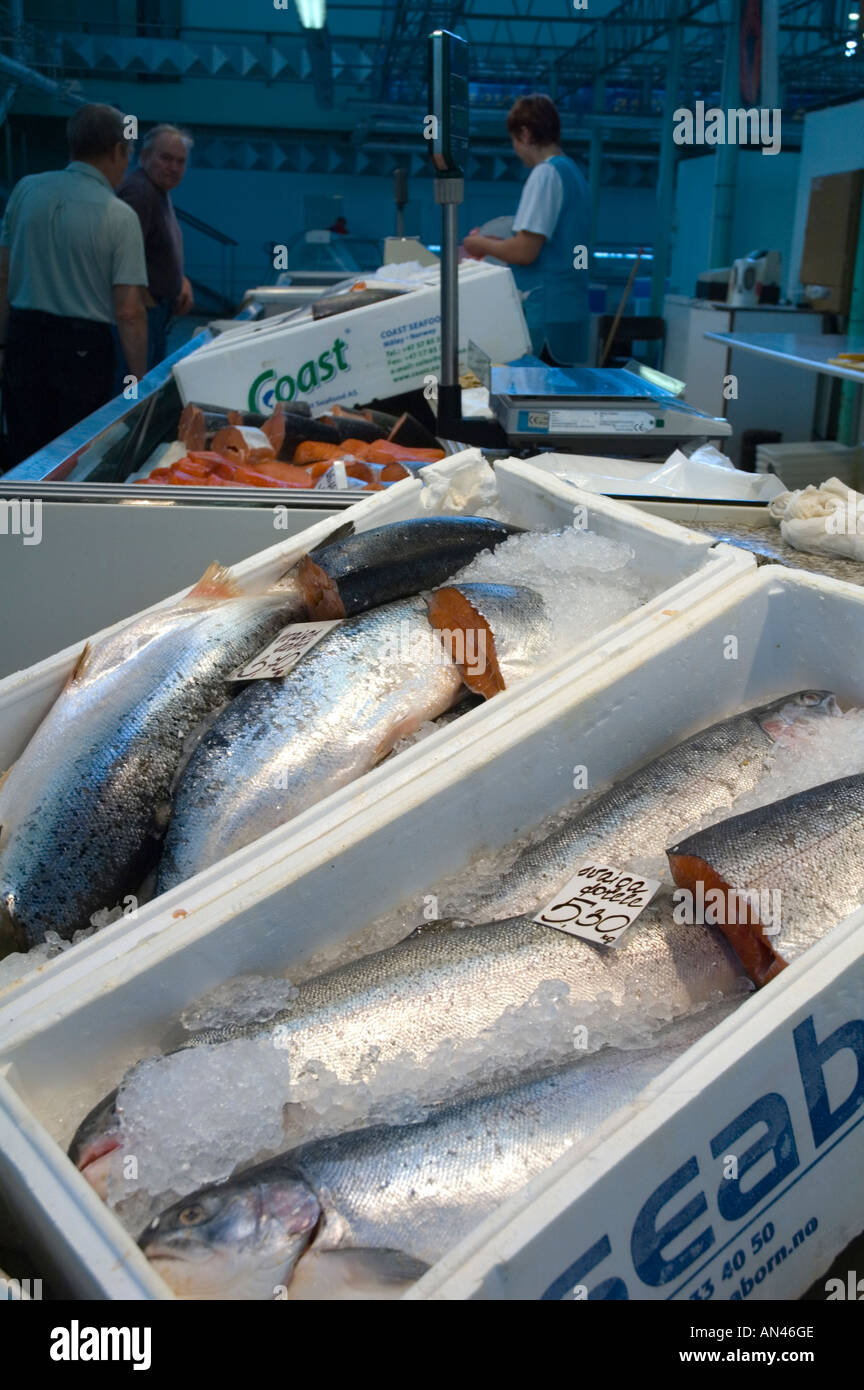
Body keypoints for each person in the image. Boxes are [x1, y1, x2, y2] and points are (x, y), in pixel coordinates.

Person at [0, 103, 148, 467]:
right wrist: (140, 385)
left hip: (23, 336)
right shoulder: (119, 215)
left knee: (24, 452)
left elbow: (2, 274)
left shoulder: (26, 189)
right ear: (117, 150)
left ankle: (17, 520)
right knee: (75, 459)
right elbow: (128, 311)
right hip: (82, 350)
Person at [462, 94, 592, 366]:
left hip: (546, 316)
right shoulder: (574, 174)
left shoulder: (545, 174)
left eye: (513, 141)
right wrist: (498, 241)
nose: (515, 150)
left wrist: (481, 245)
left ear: (525, 133)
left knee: (536, 404)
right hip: (570, 313)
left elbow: (525, 252)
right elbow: (550, 244)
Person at [118, 124, 194, 371]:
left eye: (180, 161)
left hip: (157, 313)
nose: (173, 167)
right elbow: (122, 258)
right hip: (142, 316)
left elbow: (156, 249)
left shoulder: (158, 190)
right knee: (133, 392)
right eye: (166, 158)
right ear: (144, 156)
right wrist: (145, 300)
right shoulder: (139, 192)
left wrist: (180, 280)